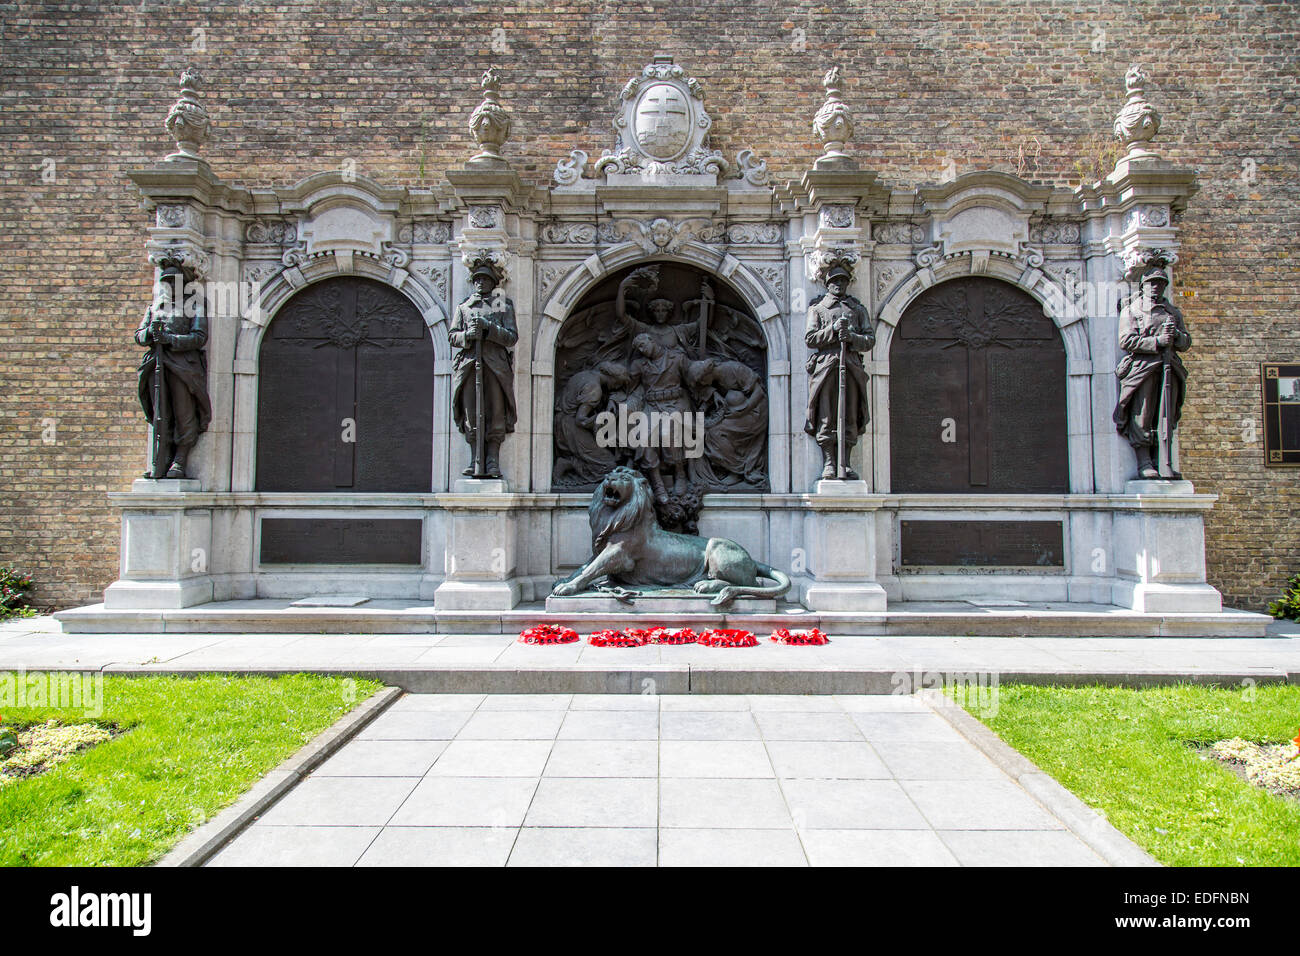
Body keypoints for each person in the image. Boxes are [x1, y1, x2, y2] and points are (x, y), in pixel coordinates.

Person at [1112, 266, 1190, 479]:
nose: (1156, 287)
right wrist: (1157, 341)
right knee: (1142, 413)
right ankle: (1144, 461)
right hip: (1143, 368)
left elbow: (1185, 342)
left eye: (1160, 283)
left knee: (1166, 414)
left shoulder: (1173, 312)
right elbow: (1125, 340)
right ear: (1143, 286)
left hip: (1168, 366)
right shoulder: (1133, 310)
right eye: (1151, 283)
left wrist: (1176, 337)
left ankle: (1164, 461)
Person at [135, 262, 211, 479]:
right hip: (156, 363)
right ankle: (160, 458)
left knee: (183, 411)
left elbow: (199, 337)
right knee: (159, 412)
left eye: (174, 281)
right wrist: (149, 334)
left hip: (183, 366)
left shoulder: (194, 305)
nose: (169, 285)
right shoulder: (154, 308)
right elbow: (139, 335)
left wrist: (171, 339)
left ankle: (180, 459)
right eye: (166, 281)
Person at [448, 258, 518, 478]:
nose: (480, 283)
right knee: (471, 411)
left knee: (496, 412)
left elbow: (511, 337)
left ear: (493, 283)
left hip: (495, 366)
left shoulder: (504, 306)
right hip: (470, 365)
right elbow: (452, 335)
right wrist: (467, 336)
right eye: (477, 279)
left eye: (485, 279)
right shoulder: (463, 307)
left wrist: (489, 329)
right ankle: (475, 458)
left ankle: (493, 460)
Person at [804, 263, 873, 480]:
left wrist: (852, 337)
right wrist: (832, 330)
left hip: (850, 365)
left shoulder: (857, 309)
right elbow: (810, 339)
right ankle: (829, 463)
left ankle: (845, 462)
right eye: (835, 281)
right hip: (826, 365)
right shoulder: (818, 309)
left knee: (849, 413)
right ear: (827, 283)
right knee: (826, 414)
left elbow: (869, 339)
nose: (839, 284)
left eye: (843, 280)